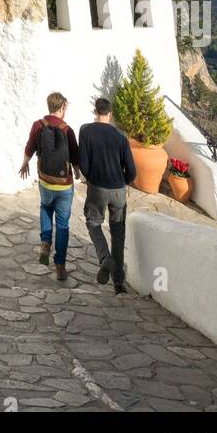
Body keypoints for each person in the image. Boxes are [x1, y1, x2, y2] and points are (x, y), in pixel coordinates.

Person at [78, 97, 137, 295]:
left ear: (96, 111)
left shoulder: (85, 131)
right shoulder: (120, 136)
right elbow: (132, 170)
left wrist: (92, 178)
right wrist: (123, 181)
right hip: (118, 189)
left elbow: (83, 164)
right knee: (118, 233)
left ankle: (105, 259)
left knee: (93, 222)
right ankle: (118, 284)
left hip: (97, 188)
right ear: (110, 113)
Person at [19, 91, 80, 281]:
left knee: (45, 208)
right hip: (63, 185)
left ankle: (45, 242)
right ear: (62, 107)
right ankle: (60, 266)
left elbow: (30, 147)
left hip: (45, 181)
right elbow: (75, 156)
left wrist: (25, 163)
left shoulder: (39, 125)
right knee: (62, 224)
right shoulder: (66, 129)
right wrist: (77, 172)